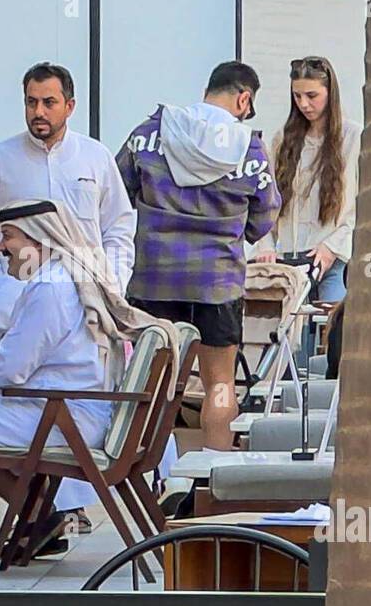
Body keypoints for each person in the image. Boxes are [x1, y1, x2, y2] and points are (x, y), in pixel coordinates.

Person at [0, 200, 174, 553]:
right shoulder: (63, 278)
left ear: (38, 241)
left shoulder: (51, 287)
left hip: (64, 418)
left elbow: (11, 368)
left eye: (8, 236)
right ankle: (36, 517)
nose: (0, 248)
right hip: (72, 412)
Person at [117, 61, 281, 450]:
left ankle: (148, 476)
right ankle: (214, 477)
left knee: (153, 383)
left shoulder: (150, 133)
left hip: (154, 279)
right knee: (220, 383)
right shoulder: (249, 149)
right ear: (244, 98)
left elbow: (118, 191)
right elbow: (266, 213)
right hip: (217, 284)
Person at [0, 63, 135, 337]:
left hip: (88, 306)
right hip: (17, 310)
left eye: (49, 103)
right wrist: (4, 292)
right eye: (31, 102)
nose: (38, 112)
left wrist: (112, 286)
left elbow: (118, 228)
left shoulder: (96, 157)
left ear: (69, 106)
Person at [253, 55, 361, 308]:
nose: (303, 104)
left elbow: (360, 207)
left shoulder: (353, 137)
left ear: (329, 92)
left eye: (312, 96)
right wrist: (266, 245)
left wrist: (331, 248)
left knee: (332, 335)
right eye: (297, 96)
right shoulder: (284, 138)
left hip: (330, 260)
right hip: (285, 265)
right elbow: (268, 200)